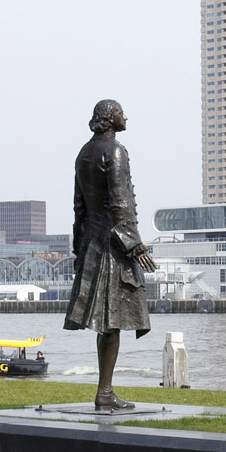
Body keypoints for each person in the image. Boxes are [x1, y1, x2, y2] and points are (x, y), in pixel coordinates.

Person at [65, 98, 155, 411]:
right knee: (112, 319)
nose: (125, 116)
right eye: (120, 112)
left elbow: (79, 208)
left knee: (108, 322)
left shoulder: (83, 153)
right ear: (110, 118)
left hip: (92, 242)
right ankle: (104, 393)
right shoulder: (115, 151)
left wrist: (79, 247)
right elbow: (121, 202)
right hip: (112, 246)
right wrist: (135, 244)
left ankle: (105, 391)